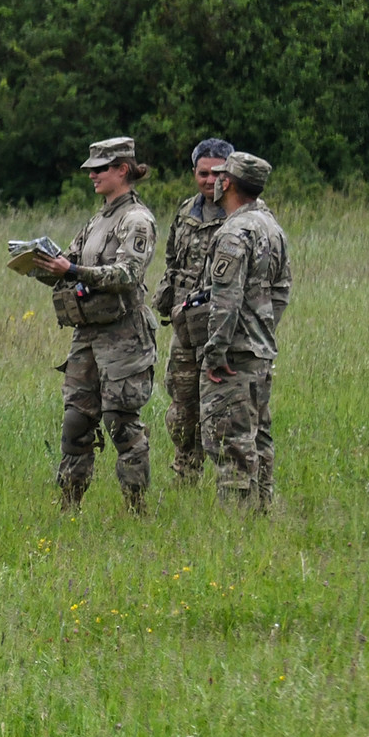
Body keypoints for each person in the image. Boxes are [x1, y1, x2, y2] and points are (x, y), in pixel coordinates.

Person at [31, 137, 160, 513]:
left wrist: (72, 270)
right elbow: (67, 262)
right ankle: (69, 508)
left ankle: (137, 509)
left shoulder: (136, 220)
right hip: (86, 334)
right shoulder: (98, 219)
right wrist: (38, 263)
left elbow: (128, 273)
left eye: (100, 168)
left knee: (121, 421)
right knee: (76, 420)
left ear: (122, 169)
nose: (92, 174)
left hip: (123, 336)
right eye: (90, 168)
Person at [197, 153, 291, 512]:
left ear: (230, 184)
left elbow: (226, 299)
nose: (214, 181)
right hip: (260, 351)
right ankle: (262, 514)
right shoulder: (271, 226)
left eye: (220, 175)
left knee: (228, 441)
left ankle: (236, 527)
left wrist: (215, 352)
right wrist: (264, 328)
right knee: (258, 439)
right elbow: (282, 289)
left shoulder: (235, 232)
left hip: (234, 355)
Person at [154, 139, 233, 485]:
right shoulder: (187, 210)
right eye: (203, 173)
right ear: (194, 173)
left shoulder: (240, 214)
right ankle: (185, 475)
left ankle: (230, 481)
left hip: (223, 326)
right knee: (181, 406)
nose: (210, 180)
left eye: (218, 173)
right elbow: (173, 260)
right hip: (186, 326)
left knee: (223, 409)